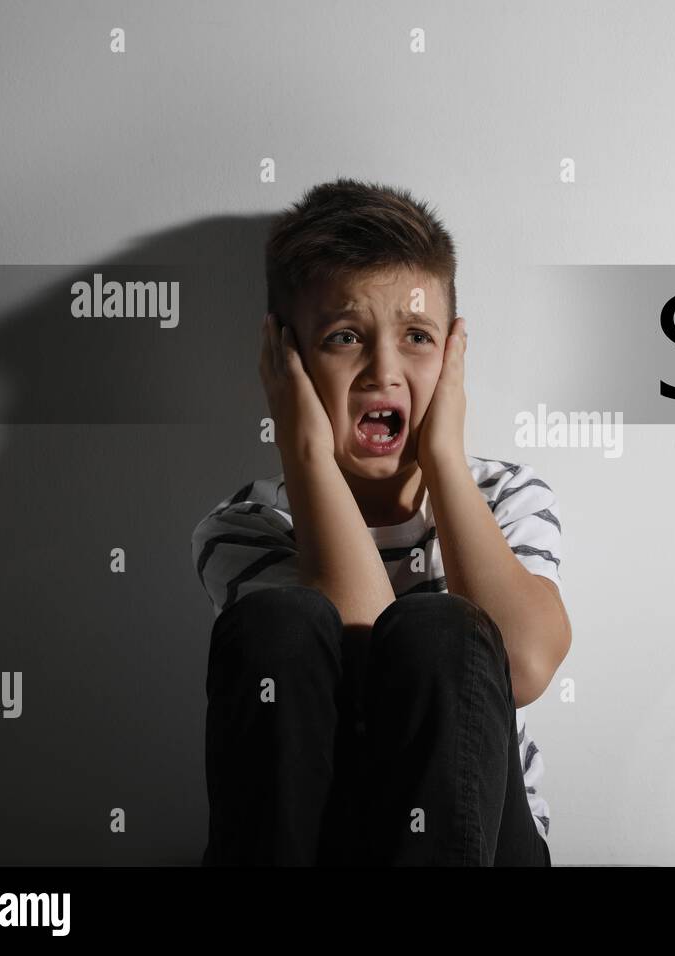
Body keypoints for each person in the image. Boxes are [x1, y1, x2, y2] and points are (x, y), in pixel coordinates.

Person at [190, 179, 571, 866]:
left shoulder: (506, 494)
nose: (384, 372)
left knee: (444, 631)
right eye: (344, 338)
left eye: (417, 337)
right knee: (277, 621)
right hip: (323, 843)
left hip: (479, 844)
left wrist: (446, 460)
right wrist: (304, 447)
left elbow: (526, 665)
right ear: (287, 361)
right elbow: (364, 669)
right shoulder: (248, 525)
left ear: (453, 357)